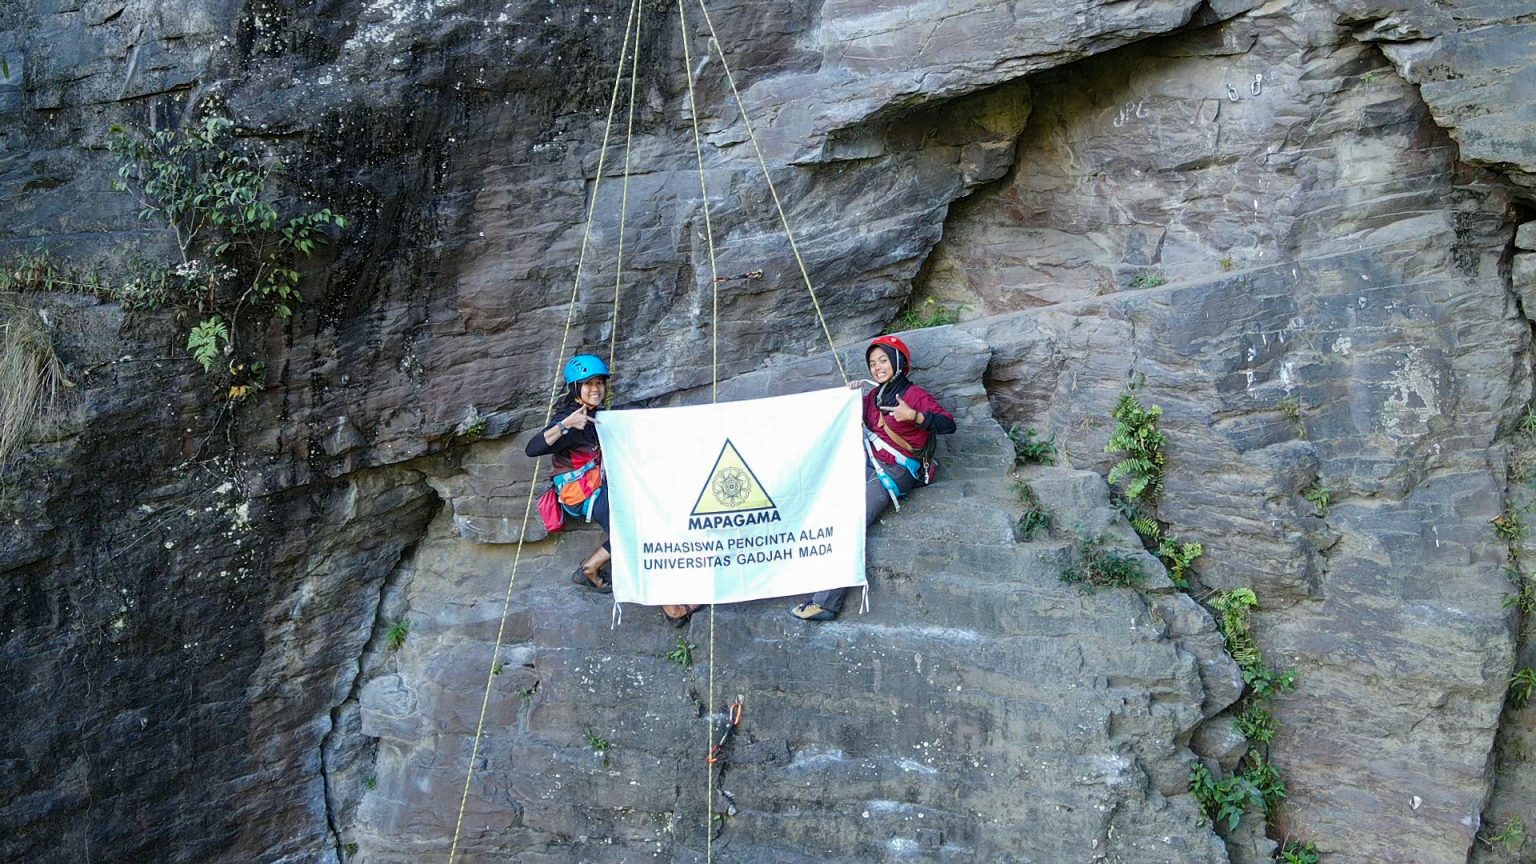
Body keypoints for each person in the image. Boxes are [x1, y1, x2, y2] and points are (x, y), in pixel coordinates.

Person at [525, 354, 699, 626]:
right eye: (588, 384)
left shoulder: (596, 413)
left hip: (600, 485)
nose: (595, 389)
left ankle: (590, 568)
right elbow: (532, 448)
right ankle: (671, 607)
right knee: (634, 532)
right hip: (582, 492)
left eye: (599, 383)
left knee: (639, 520)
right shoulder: (570, 418)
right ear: (575, 388)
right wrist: (564, 425)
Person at [791, 335, 956, 622]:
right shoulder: (874, 396)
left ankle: (826, 603)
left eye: (883, 360)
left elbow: (948, 424)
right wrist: (850, 398)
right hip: (869, 461)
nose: (877, 367)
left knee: (850, 521)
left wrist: (915, 416)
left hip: (896, 471)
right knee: (821, 499)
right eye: (872, 363)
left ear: (898, 362)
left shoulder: (914, 396)